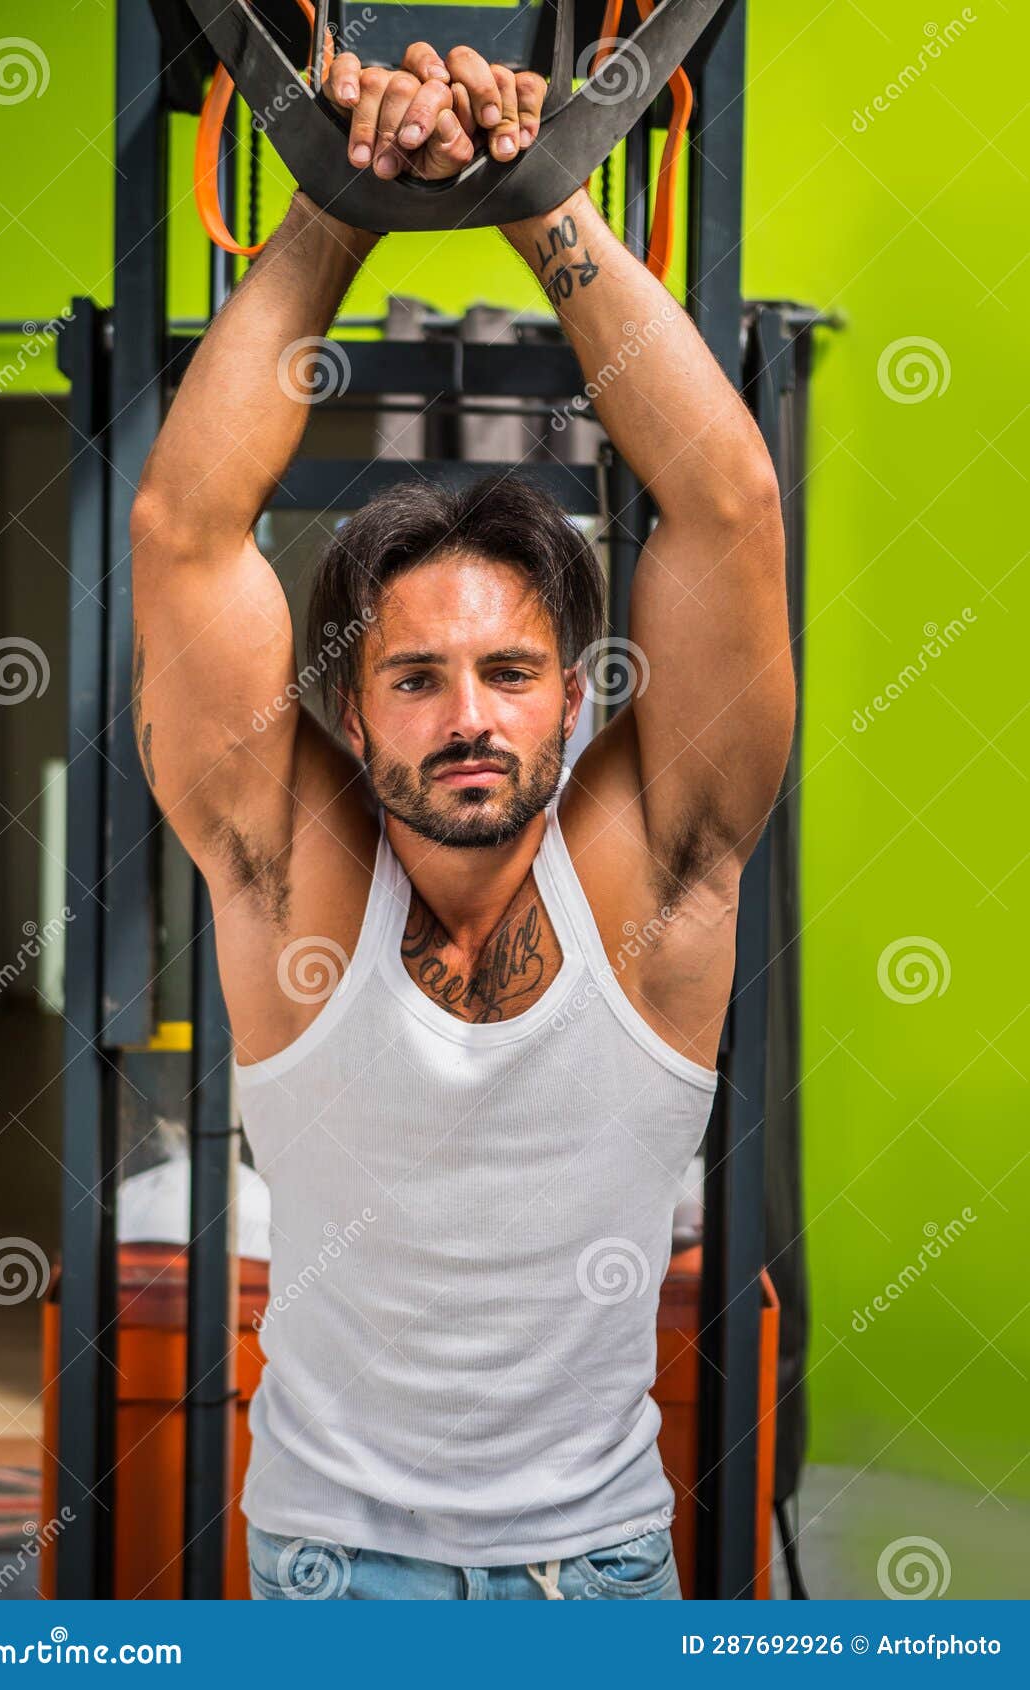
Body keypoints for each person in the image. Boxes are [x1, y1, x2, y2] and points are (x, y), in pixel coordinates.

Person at [130, 38, 794, 1601]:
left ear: (578, 696)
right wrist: (336, 209)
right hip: (327, 1565)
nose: (471, 716)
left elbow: (730, 511)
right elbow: (183, 529)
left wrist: (550, 205)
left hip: (599, 1564)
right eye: (416, 678)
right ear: (349, 713)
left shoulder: (658, 870)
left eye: (510, 670)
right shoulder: (289, 869)